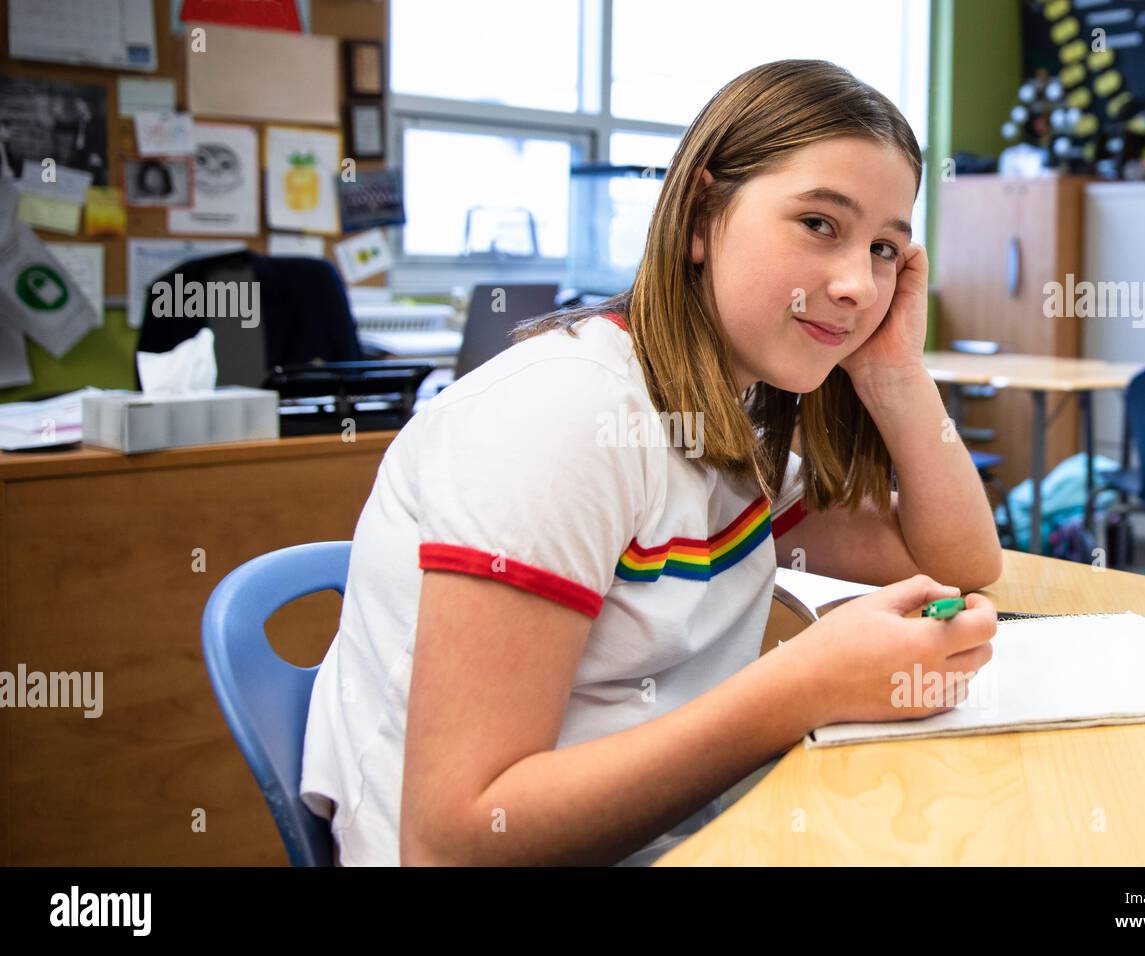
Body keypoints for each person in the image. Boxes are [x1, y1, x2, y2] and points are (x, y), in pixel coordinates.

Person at [301, 59, 1002, 867]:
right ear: (701, 218)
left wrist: (896, 375)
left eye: (884, 248)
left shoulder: (723, 418)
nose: (857, 285)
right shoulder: (566, 419)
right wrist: (801, 688)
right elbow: (453, 839)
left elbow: (956, 560)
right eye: (819, 223)